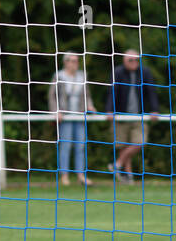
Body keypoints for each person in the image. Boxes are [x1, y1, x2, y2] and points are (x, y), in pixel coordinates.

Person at [107, 49, 159, 183]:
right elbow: (112, 92)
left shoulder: (145, 72)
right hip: (121, 115)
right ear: (124, 61)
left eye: (136, 59)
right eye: (131, 60)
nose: (134, 62)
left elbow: (151, 91)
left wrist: (154, 109)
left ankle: (116, 165)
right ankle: (128, 176)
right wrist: (110, 110)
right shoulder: (118, 72)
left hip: (139, 115)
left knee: (139, 142)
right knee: (123, 146)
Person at [50, 52, 97, 187]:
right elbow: (52, 96)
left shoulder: (82, 76)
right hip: (65, 116)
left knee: (81, 146)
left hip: (79, 115)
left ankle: (81, 176)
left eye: (77, 61)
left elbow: (87, 94)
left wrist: (90, 106)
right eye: (72, 61)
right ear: (65, 62)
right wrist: (56, 111)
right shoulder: (58, 76)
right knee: (65, 145)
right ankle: (64, 176)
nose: (75, 63)